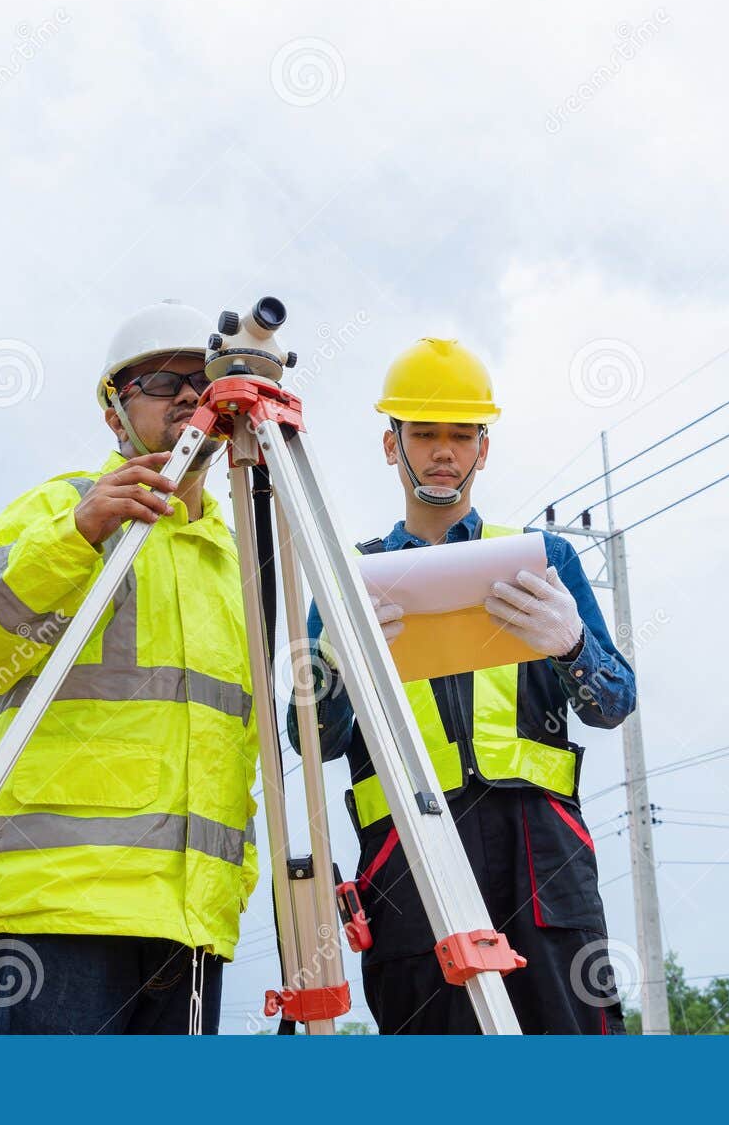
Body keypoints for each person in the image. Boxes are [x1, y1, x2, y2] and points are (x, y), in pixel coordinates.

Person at [0, 300, 259, 1034]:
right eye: (160, 380)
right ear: (115, 415)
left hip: (189, 924)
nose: (186, 394)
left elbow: (239, 749)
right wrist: (78, 537)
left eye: (199, 379)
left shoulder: (238, 561)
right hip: (56, 906)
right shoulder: (63, 509)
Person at [289, 337, 636, 1033]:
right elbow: (311, 741)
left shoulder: (545, 560)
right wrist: (333, 670)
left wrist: (572, 646)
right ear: (393, 446)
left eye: (460, 435)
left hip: (542, 859)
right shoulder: (345, 578)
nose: (442, 452)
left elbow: (614, 704)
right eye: (424, 434)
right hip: (411, 862)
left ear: (484, 448)